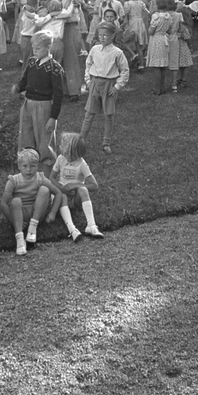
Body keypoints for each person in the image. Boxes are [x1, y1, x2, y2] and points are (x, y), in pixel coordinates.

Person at [13, 32, 63, 168]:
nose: (35, 51)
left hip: (44, 105)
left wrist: (53, 117)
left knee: (44, 136)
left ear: (48, 47)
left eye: (38, 48)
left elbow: (58, 95)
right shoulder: (32, 62)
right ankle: (27, 161)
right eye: (33, 48)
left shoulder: (54, 68)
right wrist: (18, 87)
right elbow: (25, 80)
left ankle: (47, 164)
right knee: (26, 133)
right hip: (28, 103)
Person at [0, 148, 63, 256]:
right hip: (21, 214)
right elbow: (3, 203)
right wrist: (13, 221)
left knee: (44, 190)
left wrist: (52, 213)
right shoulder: (13, 180)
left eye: (32, 166)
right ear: (19, 166)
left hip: (37, 213)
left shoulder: (40, 178)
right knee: (16, 201)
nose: (29, 170)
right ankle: (19, 239)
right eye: (25, 166)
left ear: (37, 166)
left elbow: (58, 193)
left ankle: (32, 229)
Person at [79, 22, 129, 154]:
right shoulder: (95, 49)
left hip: (109, 85)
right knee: (89, 113)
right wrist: (88, 81)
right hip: (95, 83)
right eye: (100, 35)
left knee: (108, 115)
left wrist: (117, 86)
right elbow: (88, 64)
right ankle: (81, 140)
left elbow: (125, 71)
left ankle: (106, 143)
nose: (102, 38)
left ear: (112, 36)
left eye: (106, 35)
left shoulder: (117, 52)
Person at [52, 132, 104, 241]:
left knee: (83, 189)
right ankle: (72, 229)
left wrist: (75, 185)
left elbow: (94, 185)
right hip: (62, 196)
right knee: (62, 196)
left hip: (76, 199)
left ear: (70, 149)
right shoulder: (61, 159)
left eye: (63, 145)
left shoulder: (82, 164)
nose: (60, 147)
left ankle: (91, 225)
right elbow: (51, 178)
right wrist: (62, 189)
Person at [145, 0, 178, 94]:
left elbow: (151, 31)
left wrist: (149, 27)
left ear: (157, 5)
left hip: (156, 40)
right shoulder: (168, 16)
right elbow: (169, 29)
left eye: (154, 4)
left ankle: (157, 89)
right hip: (165, 40)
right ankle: (162, 87)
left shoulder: (156, 16)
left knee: (157, 66)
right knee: (163, 65)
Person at [174, 0, 195, 87]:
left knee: (181, 65)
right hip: (183, 47)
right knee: (184, 64)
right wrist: (190, 46)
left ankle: (182, 78)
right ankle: (183, 79)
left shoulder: (178, 27)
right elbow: (187, 38)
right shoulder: (184, 28)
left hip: (177, 47)